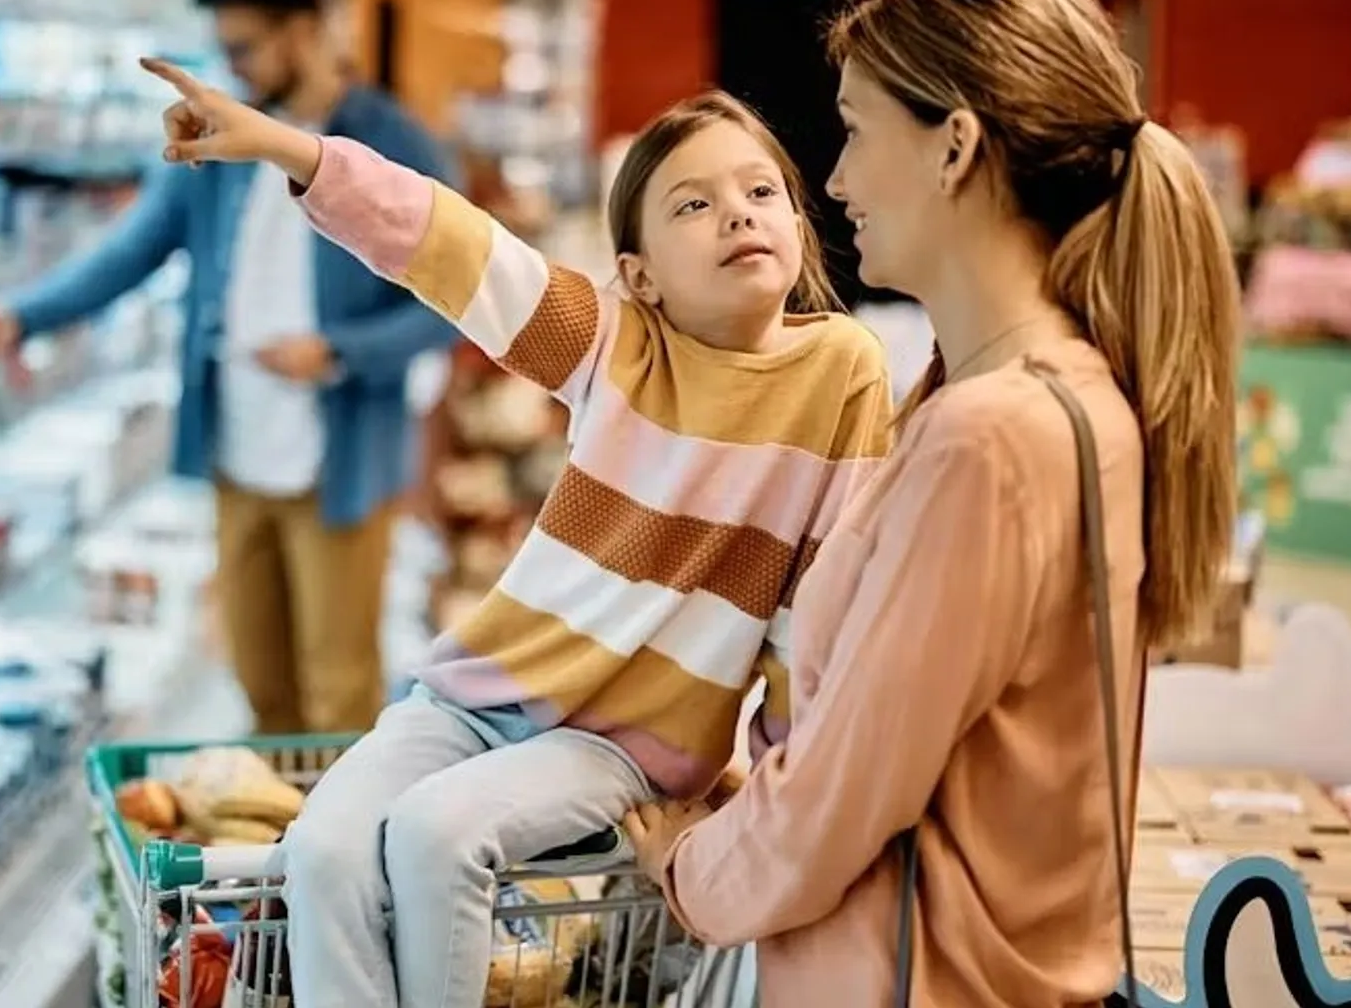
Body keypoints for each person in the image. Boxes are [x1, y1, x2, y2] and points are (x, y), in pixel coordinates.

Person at [141, 57, 896, 1008]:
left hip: (624, 741)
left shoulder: (843, 369)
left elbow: (813, 605)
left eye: (760, 191)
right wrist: (294, 151)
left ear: (797, 219)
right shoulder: (618, 348)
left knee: (435, 836)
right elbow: (461, 253)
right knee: (321, 852)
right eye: (692, 206)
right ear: (640, 276)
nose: (740, 213)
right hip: (472, 697)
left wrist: (778, 786)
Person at [621, 0, 1240, 1008]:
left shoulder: (990, 439)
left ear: (954, 146)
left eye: (857, 130)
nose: (838, 179)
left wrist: (688, 866)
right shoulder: (1047, 397)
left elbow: (840, 804)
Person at [0, 0, 456, 736]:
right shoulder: (224, 143)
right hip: (237, 450)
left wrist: (340, 351)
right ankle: (289, 844)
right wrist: (19, 320)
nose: (233, 70)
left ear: (306, 32)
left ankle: (340, 852)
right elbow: (131, 250)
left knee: (339, 688)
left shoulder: (391, 141)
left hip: (338, 462)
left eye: (245, 48)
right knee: (257, 682)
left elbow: (448, 305)